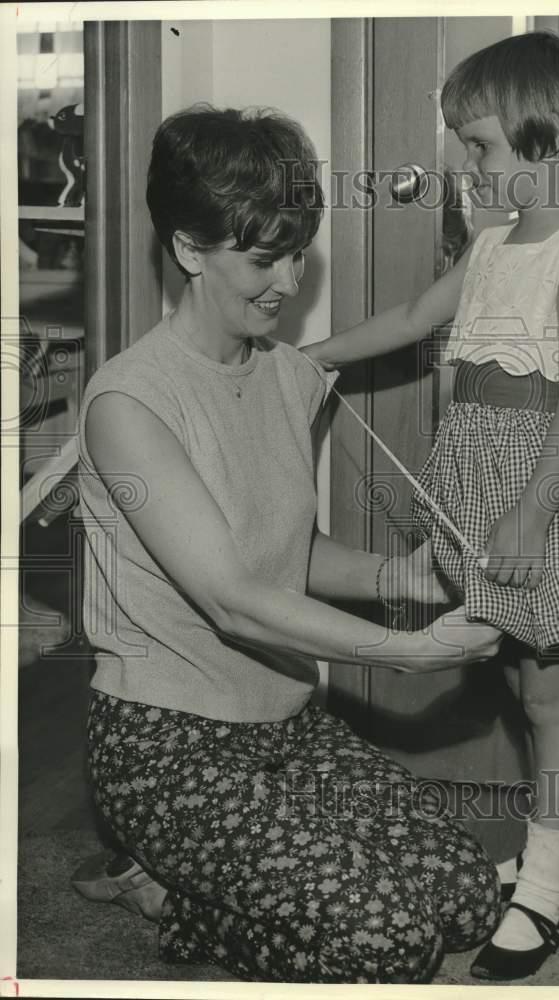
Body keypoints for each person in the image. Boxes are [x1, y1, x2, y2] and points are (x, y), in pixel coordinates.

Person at [303, 31, 559, 981]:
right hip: (479, 480)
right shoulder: (494, 243)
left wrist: (533, 512)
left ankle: (540, 885)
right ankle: (555, 850)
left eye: (481, 146)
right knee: (512, 678)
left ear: (545, 140)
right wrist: (311, 356)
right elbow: (413, 319)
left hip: (549, 486)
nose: (468, 166)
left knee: (548, 691)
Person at [73, 104, 505, 984]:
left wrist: (401, 577)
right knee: (386, 940)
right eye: (263, 259)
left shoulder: (286, 373)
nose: (288, 281)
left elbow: (282, 550)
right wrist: (408, 653)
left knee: (463, 897)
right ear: (190, 249)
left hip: (284, 721)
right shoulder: (129, 404)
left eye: (298, 253)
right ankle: (162, 892)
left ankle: (210, 882)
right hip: (165, 745)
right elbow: (233, 598)